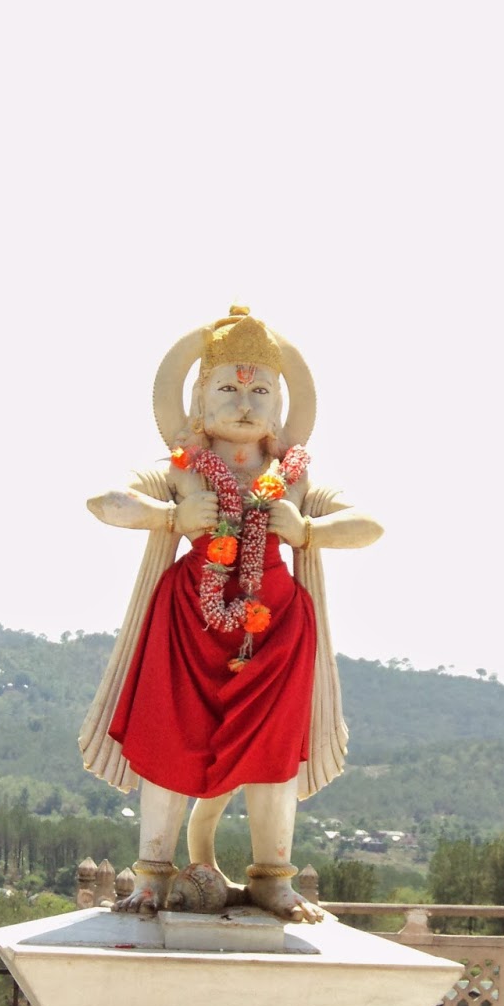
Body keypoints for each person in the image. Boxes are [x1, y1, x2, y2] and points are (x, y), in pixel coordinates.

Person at [79, 306, 382, 922]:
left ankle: (273, 876)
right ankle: (153, 874)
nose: (245, 402)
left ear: (279, 406)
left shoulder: (292, 479)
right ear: (196, 402)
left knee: (274, 750)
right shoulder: (181, 472)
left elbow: (368, 525)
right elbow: (105, 501)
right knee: (171, 737)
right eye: (228, 388)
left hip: (275, 631)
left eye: (260, 390)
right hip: (188, 623)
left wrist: (307, 530)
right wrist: (169, 518)